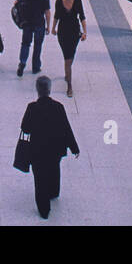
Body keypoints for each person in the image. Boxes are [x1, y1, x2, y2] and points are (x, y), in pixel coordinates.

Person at [18, 75, 79, 219]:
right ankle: (53, 191)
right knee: (54, 169)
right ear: (49, 90)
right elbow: (66, 129)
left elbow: (25, 128)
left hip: (37, 150)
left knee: (40, 178)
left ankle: (44, 209)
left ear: (37, 90)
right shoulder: (58, 107)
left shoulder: (32, 108)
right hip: (55, 149)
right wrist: (74, 147)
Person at [52, 0, 87, 97]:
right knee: (67, 58)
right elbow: (56, 16)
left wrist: (84, 32)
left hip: (74, 32)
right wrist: (53, 28)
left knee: (70, 56)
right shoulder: (58, 1)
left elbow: (82, 16)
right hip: (63, 32)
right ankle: (69, 86)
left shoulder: (77, 1)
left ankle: (68, 73)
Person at [14, 0, 52, 78]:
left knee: (25, 43)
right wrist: (48, 26)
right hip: (39, 23)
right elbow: (47, 13)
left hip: (27, 23)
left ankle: (22, 63)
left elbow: (16, 3)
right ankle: (35, 67)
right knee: (38, 45)